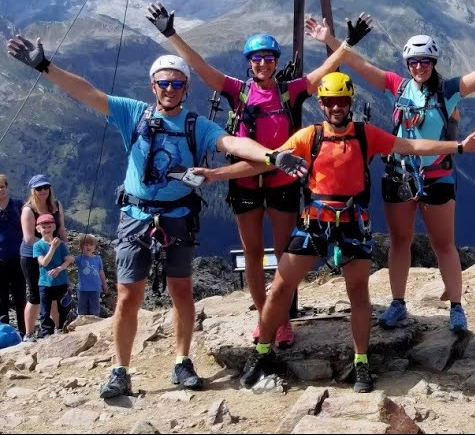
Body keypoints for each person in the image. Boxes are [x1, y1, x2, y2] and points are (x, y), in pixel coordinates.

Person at [4, 37, 308, 399]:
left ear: (185, 87)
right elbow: (87, 92)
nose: (169, 89)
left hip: (178, 217)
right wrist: (45, 67)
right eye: (163, 83)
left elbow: (232, 144)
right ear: (153, 86)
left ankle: (182, 361)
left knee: (181, 290)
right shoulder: (133, 113)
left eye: (177, 83)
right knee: (127, 294)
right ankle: (120, 369)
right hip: (136, 217)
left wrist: (273, 155)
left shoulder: (197, 125)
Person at [193, 72, 475, 393]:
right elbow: (265, 164)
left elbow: (412, 145)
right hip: (317, 222)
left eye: (341, 101)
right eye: (330, 102)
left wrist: (458, 147)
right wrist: (215, 174)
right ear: (321, 105)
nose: (336, 107)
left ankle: (361, 361)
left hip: (349, 224)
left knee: (359, 296)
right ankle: (263, 351)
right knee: (281, 288)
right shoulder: (308, 137)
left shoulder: (366, 135)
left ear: (348, 102)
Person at [146, 2, 371, 348]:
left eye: (269, 58)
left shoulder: (290, 90)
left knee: (285, 254)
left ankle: (281, 321)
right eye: (257, 58)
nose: (263, 63)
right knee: (252, 253)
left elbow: (327, 68)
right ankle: (264, 315)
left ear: (276, 62)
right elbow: (200, 68)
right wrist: (170, 34)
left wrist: (347, 44)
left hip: (281, 182)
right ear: (249, 63)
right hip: (245, 181)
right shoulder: (237, 90)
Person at [325, 29, 475, 332]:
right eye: (413, 62)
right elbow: (358, 63)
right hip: (400, 175)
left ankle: (456, 307)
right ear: (407, 63)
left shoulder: (448, 90)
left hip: (435, 176)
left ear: (433, 61)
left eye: (424, 61)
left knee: (444, 244)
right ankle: (398, 303)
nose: (419, 67)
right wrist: (330, 39)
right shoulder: (397, 86)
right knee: (400, 242)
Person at [18, 174, 66, 341]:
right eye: (39, 188)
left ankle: (56, 330)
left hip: (55, 253)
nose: (43, 191)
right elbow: (28, 238)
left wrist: (63, 250)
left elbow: (62, 231)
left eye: (46, 187)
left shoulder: (57, 205)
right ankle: (29, 334)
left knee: (54, 292)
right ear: (33, 190)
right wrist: (49, 245)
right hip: (31, 256)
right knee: (35, 295)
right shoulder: (28, 210)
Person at [33, 213, 73, 335]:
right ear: (38, 229)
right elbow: (44, 262)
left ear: (54, 227)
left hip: (61, 281)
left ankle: (63, 329)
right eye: (43, 227)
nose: (46, 230)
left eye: (49, 226)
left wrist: (59, 269)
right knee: (45, 311)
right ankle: (46, 332)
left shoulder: (60, 244)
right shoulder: (37, 245)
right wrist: (52, 248)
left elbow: (68, 260)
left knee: (64, 308)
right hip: (45, 283)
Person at [0, 174, 27, 338]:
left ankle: (25, 332)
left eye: (2, 186)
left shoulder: (18, 206)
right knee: (1, 299)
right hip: (0, 260)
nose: (0, 190)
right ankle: (4, 335)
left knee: (20, 297)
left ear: (7, 187)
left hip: (18, 258)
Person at [75, 234, 107, 318]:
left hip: (96, 288)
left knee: (95, 309)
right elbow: (70, 259)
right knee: (82, 309)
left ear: (94, 247)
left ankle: (95, 321)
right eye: (85, 245)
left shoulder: (98, 258)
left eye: (91, 245)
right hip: (83, 289)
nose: (88, 247)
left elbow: (101, 271)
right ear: (81, 248)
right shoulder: (79, 258)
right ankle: (81, 323)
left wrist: (104, 284)